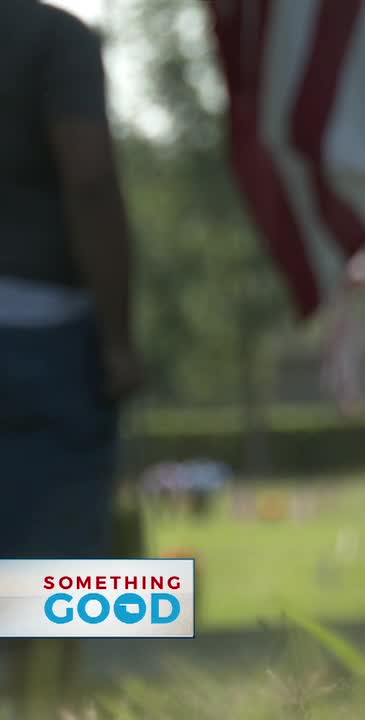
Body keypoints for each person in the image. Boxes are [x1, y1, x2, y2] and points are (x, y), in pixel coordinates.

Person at [0, 1, 142, 715]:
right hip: (37, 333)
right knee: (51, 579)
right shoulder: (53, 40)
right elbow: (87, 178)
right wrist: (118, 337)